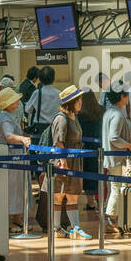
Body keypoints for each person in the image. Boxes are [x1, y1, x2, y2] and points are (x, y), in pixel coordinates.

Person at [47, 85, 89, 238]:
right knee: (59, 195)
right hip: (63, 161)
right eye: (78, 100)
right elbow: (59, 142)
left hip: (74, 161)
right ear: (71, 102)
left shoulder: (74, 117)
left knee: (72, 195)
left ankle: (76, 228)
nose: (81, 103)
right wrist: (63, 161)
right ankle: (56, 227)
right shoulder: (61, 119)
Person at [102, 88, 131, 229]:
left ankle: (112, 218)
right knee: (116, 188)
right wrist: (129, 145)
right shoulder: (117, 114)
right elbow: (114, 138)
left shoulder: (108, 113)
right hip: (117, 157)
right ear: (122, 97)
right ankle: (111, 220)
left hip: (111, 157)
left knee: (113, 188)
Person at [0, 87, 32, 233]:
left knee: (19, 187)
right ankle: (9, 220)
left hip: (18, 156)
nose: (17, 101)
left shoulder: (11, 115)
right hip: (11, 156)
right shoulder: (5, 117)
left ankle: (17, 218)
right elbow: (9, 135)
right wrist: (22, 138)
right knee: (12, 188)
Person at [77, 89, 104, 210]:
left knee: (87, 174)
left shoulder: (80, 113)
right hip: (99, 146)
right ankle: (101, 200)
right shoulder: (102, 110)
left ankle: (90, 202)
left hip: (84, 147)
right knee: (99, 173)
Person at [23, 65, 59, 136]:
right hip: (55, 128)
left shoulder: (37, 93)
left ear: (40, 79)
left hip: (39, 129)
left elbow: (27, 109)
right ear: (53, 78)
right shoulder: (59, 94)